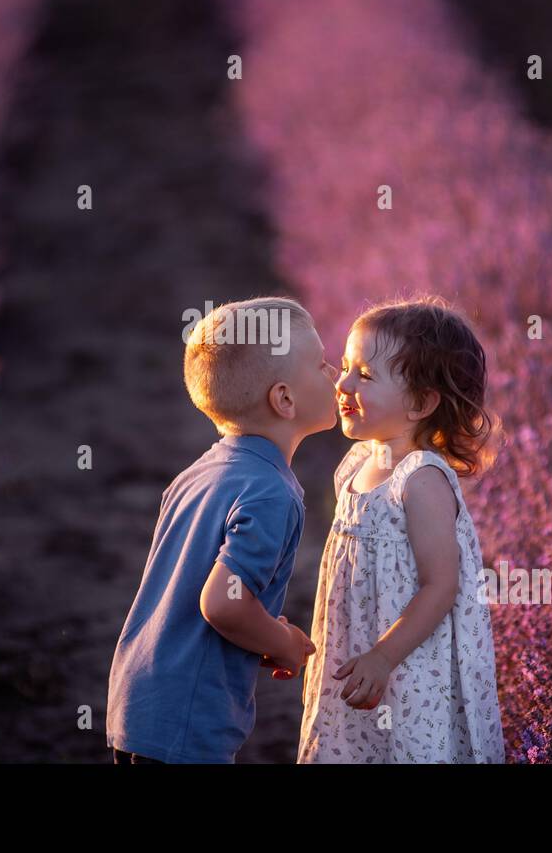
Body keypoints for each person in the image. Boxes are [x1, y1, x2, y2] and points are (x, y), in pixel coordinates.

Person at [107, 295, 339, 763]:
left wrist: (261, 631)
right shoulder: (272, 492)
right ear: (285, 399)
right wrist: (285, 643)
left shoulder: (203, 472)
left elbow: (199, 585)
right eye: (320, 365)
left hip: (140, 696)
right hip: (190, 717)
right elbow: (223, 604)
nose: (333, 373)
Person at [298, 295, 506, 763]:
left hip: (408, 663)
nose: (343, 382)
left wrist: (384, 657)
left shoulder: (421, 479)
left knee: (405, 747)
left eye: (364, 376)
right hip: (355, 648)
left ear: (421, 402)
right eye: (346, 366)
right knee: (353, 744)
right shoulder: (356, 464)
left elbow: (441, 585)